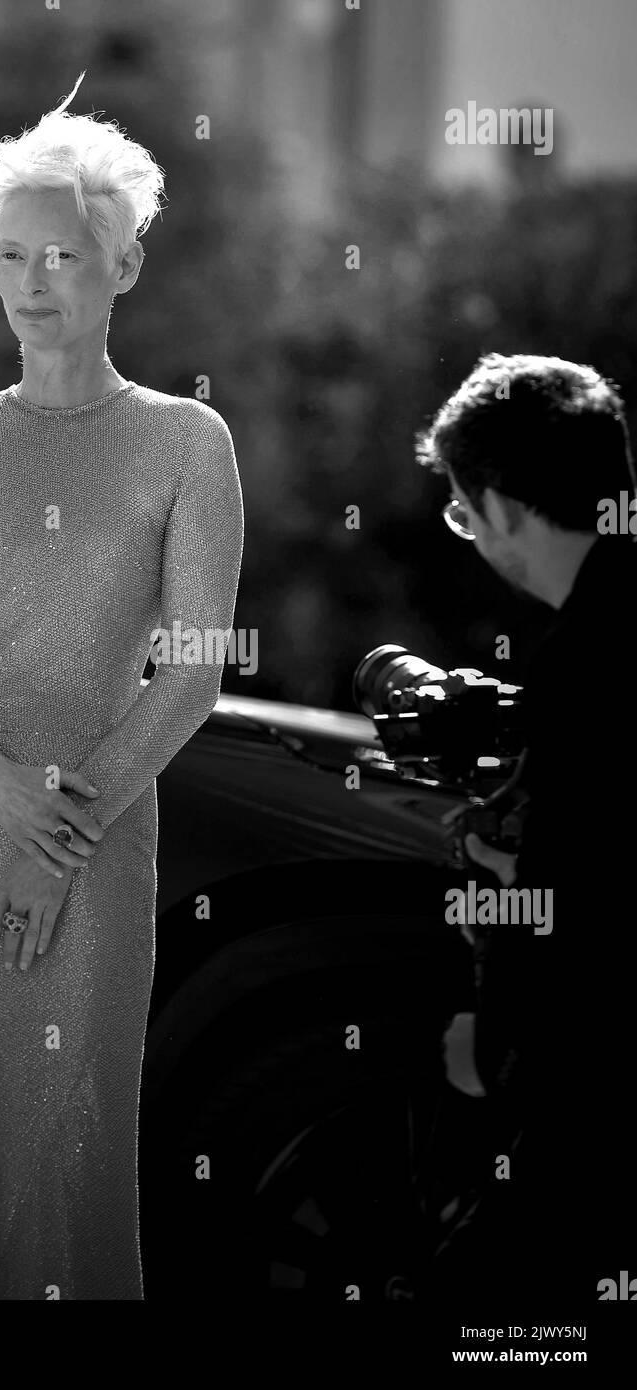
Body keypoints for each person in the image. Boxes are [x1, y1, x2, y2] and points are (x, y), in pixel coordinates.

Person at [0, 73, 244, 1300]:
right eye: (9, 253)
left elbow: (188, 678)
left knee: (72, 1151)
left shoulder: (187, 442)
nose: (30, 281)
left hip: (95, 840)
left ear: (121, 269)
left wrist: (60, 828)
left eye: (62, 256)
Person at [413, 352, 637, 1308]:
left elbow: (574, 912)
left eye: (463, 511)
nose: (469, 535)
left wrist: (486, 1050)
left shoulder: (588, 659)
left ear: (500, 505)